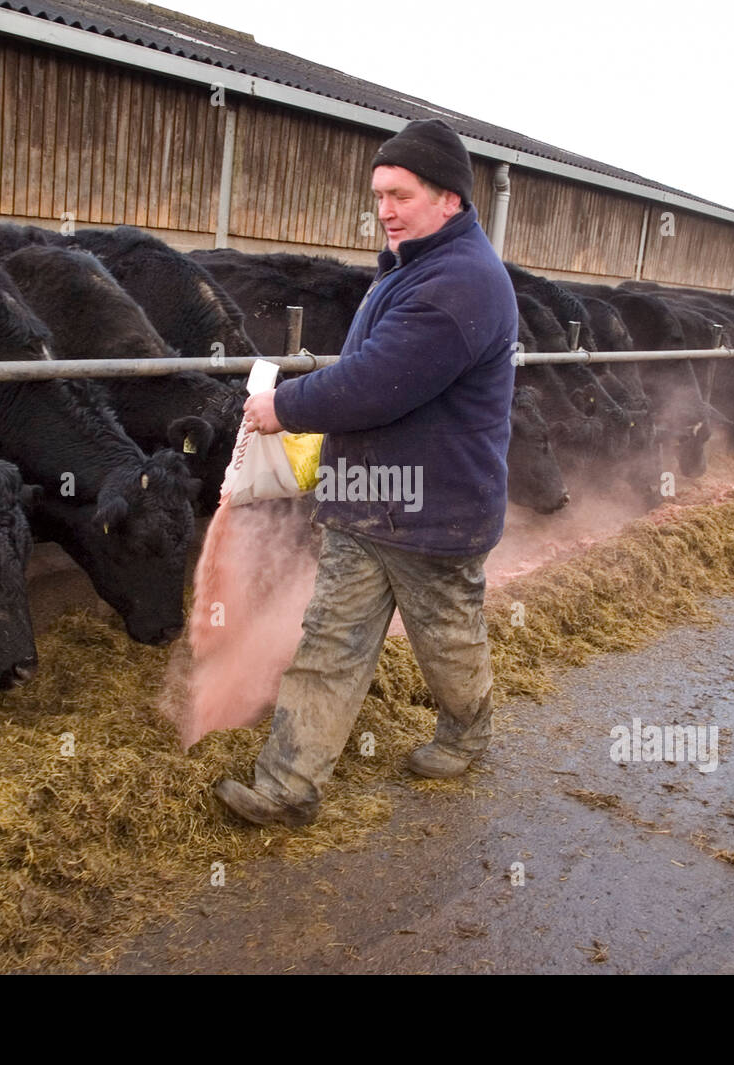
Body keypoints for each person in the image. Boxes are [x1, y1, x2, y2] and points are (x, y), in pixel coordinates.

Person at [215, 118, 519, 827]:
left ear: (449, 198)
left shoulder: (461, 284)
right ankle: (288, 785)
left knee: (446, 642)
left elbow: (375, 383)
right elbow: (368, 373)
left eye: (399, 194)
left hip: (432, 513)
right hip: (365, 500)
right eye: (378, 194)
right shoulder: (411, 266)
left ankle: (468, 729)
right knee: (330, 642)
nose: (383, 209)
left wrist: (280, 406)